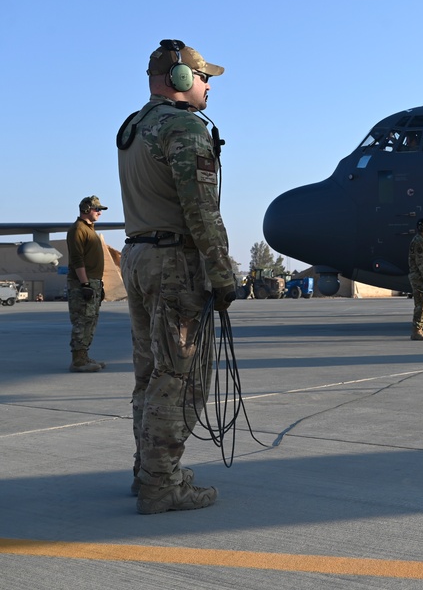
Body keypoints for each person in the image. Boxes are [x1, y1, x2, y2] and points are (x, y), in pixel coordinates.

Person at [117, 39, 237, 515]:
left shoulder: (134, 126)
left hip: (139, 256)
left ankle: (147, 471)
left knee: (150, 372)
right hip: (173, 263)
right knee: (180, 375)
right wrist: (222, 274)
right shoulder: (183, 127)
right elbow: (201, 210)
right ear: (182, 79)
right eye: (205, 77)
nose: (209, 86)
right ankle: (162, 483)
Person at [66, 195, 108, 372]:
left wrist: (98, 285)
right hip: (83, 282)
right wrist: (85, 285)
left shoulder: (89, 230)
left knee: (90, 319)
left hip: (93, 282)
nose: (99, 212)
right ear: (86, 210)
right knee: (82, 320)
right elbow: (77, 259)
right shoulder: (78, 229)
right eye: (96, 209)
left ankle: (84, 355)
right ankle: (78, 360)